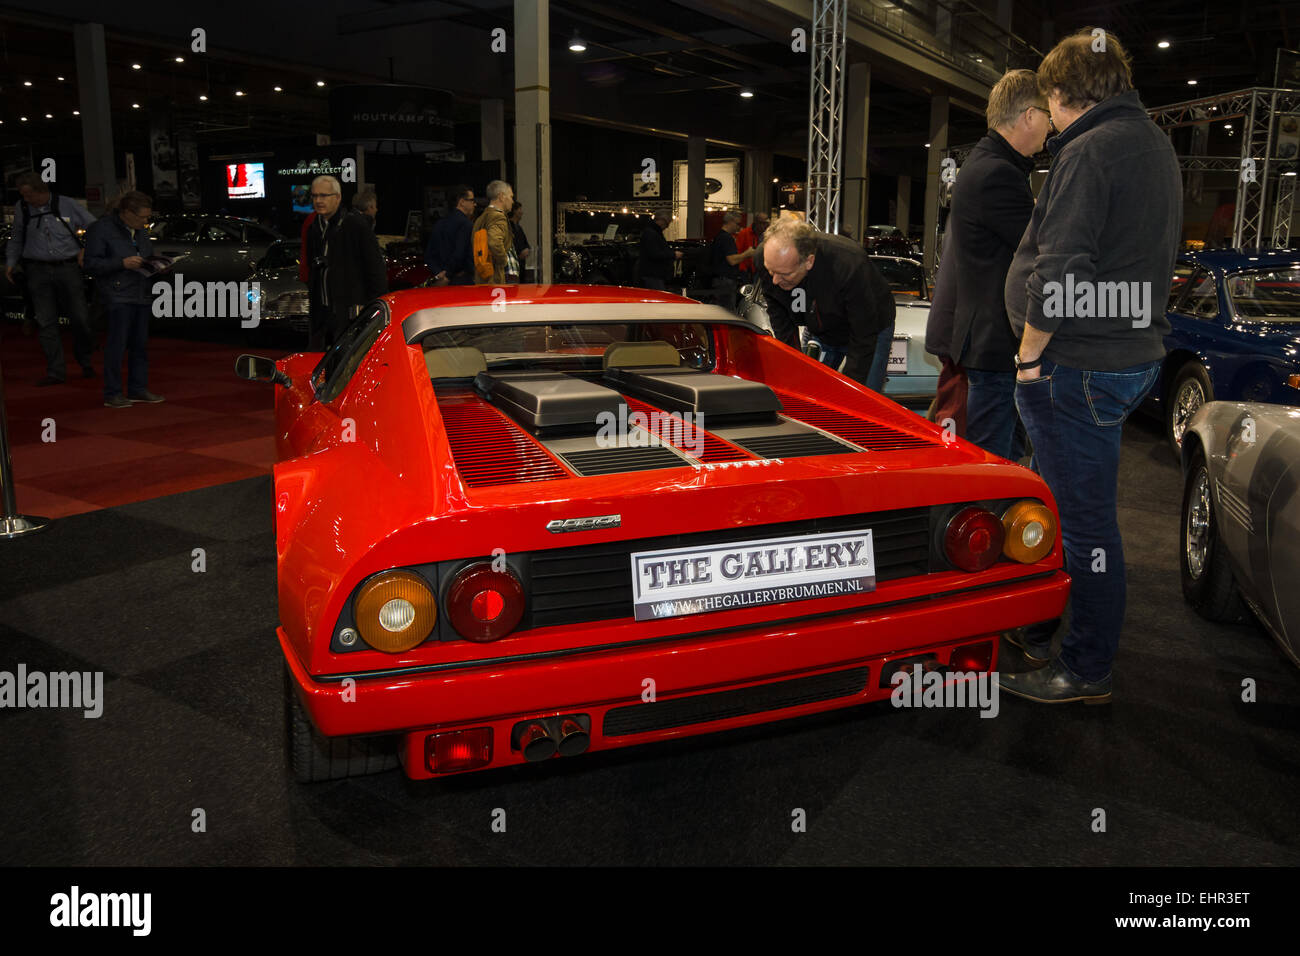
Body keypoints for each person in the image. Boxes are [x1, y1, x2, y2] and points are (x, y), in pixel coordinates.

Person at [999, 28, 1181, 704]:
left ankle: (1084, 667)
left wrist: (1027, 356)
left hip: (1076, 366)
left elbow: (1060, 274)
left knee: (1085, 526)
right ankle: (1048, 634)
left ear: (1060, 93)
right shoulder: (1152, 143)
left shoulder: (1090, 149)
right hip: (1123, 357)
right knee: (1071, 512)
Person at [928, 69, 1050, 460]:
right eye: (1048, 115)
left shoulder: (987, 163)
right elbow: (1041, 249)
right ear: (1029, 115)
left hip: (986, 339)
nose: (1051, 126)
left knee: (997, 451)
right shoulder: (998, 173)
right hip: (994, 341)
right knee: (994, 460)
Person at [757, 218, 895, 392]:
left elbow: (863, 336)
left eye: (785, 274)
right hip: (820, 327)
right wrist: (793, 365)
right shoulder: (768, 258)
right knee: (808, 391)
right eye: (771, 271)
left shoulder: (849, 265)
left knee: (861, 398)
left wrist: (852, 391)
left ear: (809, 261)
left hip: (871, 327)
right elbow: (779, 315)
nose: (775, 280)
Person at [4, 171, 97, 384]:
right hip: (36, 269)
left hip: (68, 267)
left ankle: (85, 360)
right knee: (46, 322)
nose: (26, 200)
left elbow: (94, 226)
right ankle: (56, 371)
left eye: (29, 195)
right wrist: (11, 262)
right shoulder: (22, 208)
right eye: (23, 195)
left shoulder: (67, 204)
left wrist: (86, 249)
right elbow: (17, 237)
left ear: (42, 191)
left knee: (80, 318)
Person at [83, 191, 163, 407]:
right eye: (143, 217)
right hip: (116, 294)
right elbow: (90, 264)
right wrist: (121, 263)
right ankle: (113, 392)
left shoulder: (140, 231)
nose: (146, 222)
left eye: (148, 217)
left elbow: (146, 256)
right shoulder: (101, 229)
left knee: (140, 345)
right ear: (127, 213)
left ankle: (138, 389)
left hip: (141, 292)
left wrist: (158, 266)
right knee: (116, 346)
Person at [304, 175, 387, 351]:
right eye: (315, 196)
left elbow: (375, 269)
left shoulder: (355, 225)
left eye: (324, 196)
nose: (318, 200)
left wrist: (373, 308)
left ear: (338, 197)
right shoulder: (314, 227)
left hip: (350, 312)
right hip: (322, 312)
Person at [425, 185, 476, 286]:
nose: (475, 204)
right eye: (472, 200)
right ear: (461, 202)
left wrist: (439, 274)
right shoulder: (467, 224)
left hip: (439, 280)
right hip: (461, 281)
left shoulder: (439, 223)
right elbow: (459, 254)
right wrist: (447, 275)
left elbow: (429, 255)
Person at [473, 180, 517, 285]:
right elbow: (494, 242)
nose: (512, 201)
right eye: (511, 197)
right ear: (501, 196)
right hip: (494, 280)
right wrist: (503, 261)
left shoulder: (482, 217)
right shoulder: (498, 217)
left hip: (482, 276)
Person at [710, 211, 752, 309]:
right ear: (730, 222)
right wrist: (748, 253)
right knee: (727, 312)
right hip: (725, 282)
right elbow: (732, 260)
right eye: (737, 224)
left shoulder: (720, 236)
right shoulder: (726, 238)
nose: (738, 227)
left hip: (720, 280)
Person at [637, 211, 681, 291]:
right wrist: (673, 254)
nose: (667, 227)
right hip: (653, 275)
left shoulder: (651, 232)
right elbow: (655, 253)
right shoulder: (652, 233)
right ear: (661, 220)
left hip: (652, 274)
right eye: (667, 223)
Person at [735, 211, 770, 276]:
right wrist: (743, 269)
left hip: (763, 271)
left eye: (766, 223)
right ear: (755, 222)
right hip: (746, 272)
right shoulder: (744, 233)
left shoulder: (768, 235)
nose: (764, 226)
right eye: (761, 223)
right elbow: (738, 252)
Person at [509, 201, 532, 283]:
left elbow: (526, 243)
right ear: (514, 211)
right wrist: (519, 255)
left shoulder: (519, 228)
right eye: (520, 209)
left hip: (521, 266)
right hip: (513, 267)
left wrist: (527, 250)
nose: (522, 212)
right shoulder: (508, 227)